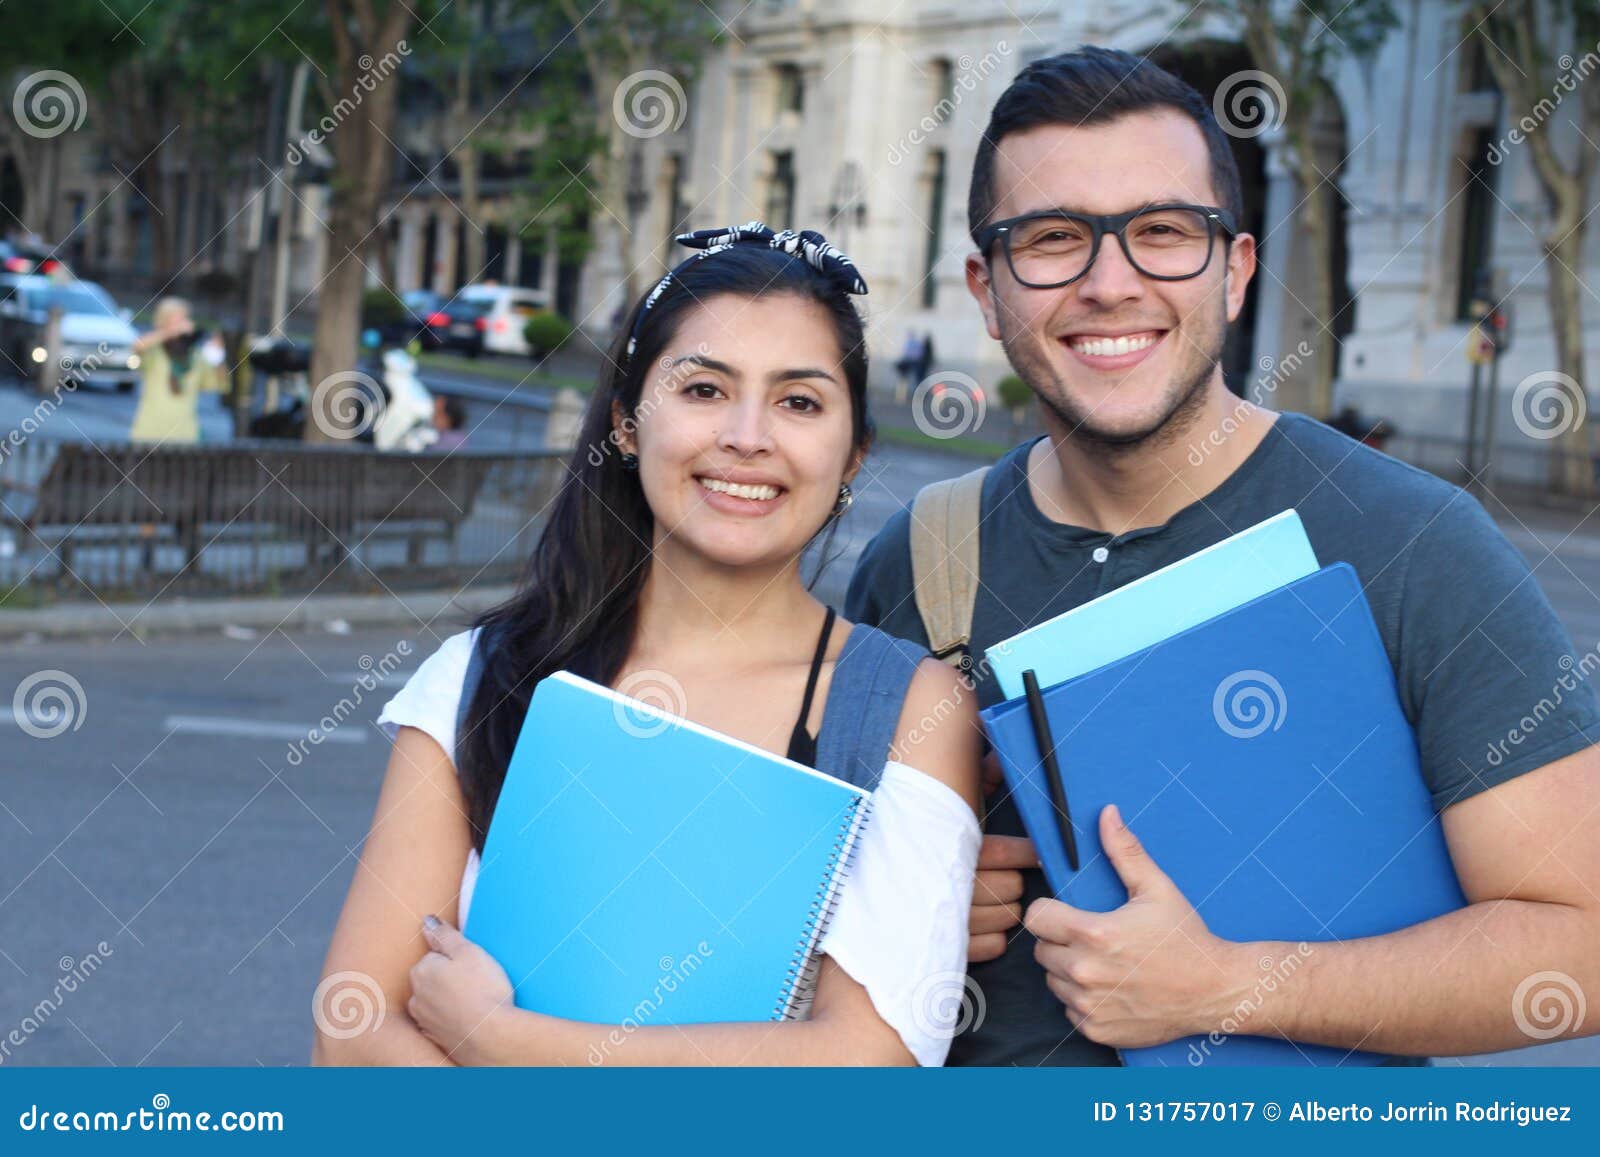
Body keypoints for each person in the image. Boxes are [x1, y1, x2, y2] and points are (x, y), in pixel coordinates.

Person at [846, 47, 1600, 1065]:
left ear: (1235, 269)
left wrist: (1231, 986)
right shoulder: (915, 559)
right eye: (1054, 239)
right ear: (986, 288)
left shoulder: (1411, 541)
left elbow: (1579, 943)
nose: (1110, 283)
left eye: (1161, 232)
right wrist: (913, 894)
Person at [315, 222, 983, 1067]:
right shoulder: (483, 676)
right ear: (627, 425)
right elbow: (352, 1035)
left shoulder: (906, 711)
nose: (748, 435)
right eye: (704, 390)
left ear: (854, 454)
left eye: (799, 401)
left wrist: (506, 1040)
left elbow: (865, 1066)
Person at [128, 297, 225, 445]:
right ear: (163, 322)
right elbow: (137, 346)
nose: (182, 324)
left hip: (185, 436)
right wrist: (168, 332)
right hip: (148, 434)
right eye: (176, 320)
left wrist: (218, 358)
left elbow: (216, 384)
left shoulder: (195, 354)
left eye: (184, 319)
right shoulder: (155, 350)